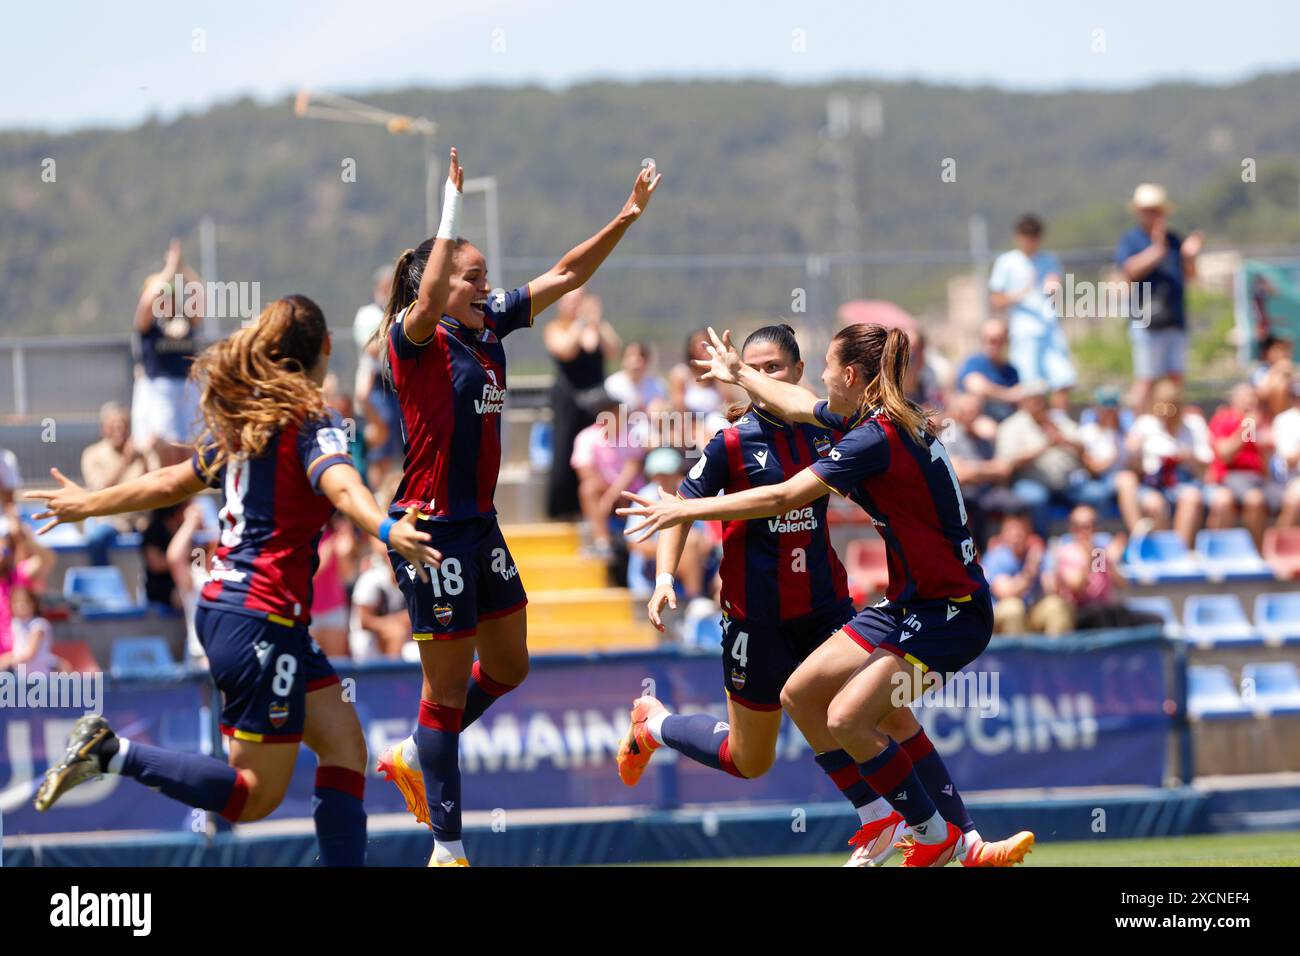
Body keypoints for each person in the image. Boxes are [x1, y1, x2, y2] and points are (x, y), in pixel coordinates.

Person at [28, 293, 440, 868]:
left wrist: (90, 503)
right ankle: (111, 751)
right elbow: (342, 485)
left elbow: (172, 480)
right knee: (253, 796)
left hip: (253, 616)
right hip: (259, 620)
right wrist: (386, 527)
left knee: (343, 744)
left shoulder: (253, 424)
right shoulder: (309, 423)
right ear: (324, 347)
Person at [619, 324, 1034, 867]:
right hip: (797, 615)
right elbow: (798, 405)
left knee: (862, 719)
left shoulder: (864, 436)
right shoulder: (860, 420)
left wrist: (683, 509)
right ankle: (654, 726)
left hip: (940, 613)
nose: (812, 379)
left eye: (806, 369)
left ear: (846, 375)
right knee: (779, 723)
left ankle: (944, 838)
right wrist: (739, 375)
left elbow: (784, 495)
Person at [370, 147, 660, 867]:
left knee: (510, 666)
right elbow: (432, 284)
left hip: (480, 526)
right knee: (442, 695)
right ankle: (449, 848)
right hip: (428, 532)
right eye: (474, 275)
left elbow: (565, 273)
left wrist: (624, 217)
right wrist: (449, 206)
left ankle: (415, 751)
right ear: (436, 286)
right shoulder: (417, 338)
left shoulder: (489, 325)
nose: (487, 284)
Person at [1114, 184, 1203, 406]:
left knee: (1176, 378)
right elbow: (1129, 271)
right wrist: (1156, 251)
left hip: (1175, 318)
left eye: (1156, 210)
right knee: (1146, 379)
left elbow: (1190, 276)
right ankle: (1135, 426)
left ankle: (1173, 423)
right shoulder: (1132, 240)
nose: (1152, 215)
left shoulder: (1174, 240)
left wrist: (1189, 257)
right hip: (1146, 320)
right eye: (1147, 210)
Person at [544, 290, 622, 518]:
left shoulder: (595, 328)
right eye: (572, 302)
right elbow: (565, 350)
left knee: (599, 450)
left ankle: (596, 507)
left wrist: (597, 322)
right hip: (569, 397)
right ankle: (564, 508)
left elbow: (612, 350)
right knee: (565, 449)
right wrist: (579, 322)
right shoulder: (556, 328)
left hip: (596, 397)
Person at [995, 385, 1111, 533]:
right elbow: (1008, 463)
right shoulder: (1011, 426)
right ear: (1024, 403)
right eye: (1034, 401)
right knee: (1035, 498)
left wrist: (1064, 440)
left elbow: (1081, 444)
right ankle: (1040, 546)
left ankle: (1099, 543)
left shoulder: (1057, 419)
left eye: (1042, 400)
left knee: (1098, 493)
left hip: (1068, 482)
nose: (1039, 405)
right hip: (1032, 481)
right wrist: (1042, 448)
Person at [988, 213, 1076, 404]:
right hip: (1024, 330)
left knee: (1063, 378)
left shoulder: (1049, 260)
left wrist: (1054, 285)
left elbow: (1055, 281)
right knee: (1030, 384)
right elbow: (996, 300)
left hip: (1050, 328)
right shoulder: (1007, 262)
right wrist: (1020, 294)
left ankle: (1058, 421)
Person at [1115, 377, 1211, 548]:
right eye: (1162, 405)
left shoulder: (1194, 424)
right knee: (1154, 504)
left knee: (1192, 498)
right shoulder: (1145, 424)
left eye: (1171, 405)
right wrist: (1134, 452)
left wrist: (1188, 457)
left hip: (1184, 481)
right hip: (1152, 483)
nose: (1166, 411)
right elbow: (1131, 466)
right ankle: (1165, 553)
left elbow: (1206, 464)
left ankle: (1179, 552)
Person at [132, 238, 204, 465]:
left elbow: (199, 292)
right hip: (160, 387)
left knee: (192, 444)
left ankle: (187, 498)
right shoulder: (148, 326)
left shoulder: (186, 320)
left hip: (187, 385)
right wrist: (170, 269)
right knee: (168, 444)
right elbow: (147, 301)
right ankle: (171, 497)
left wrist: (182, 267)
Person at [571, 392, 647, 558]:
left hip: (633, 494)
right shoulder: (586, 437)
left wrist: (612, 496)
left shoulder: (631, 434)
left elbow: (633, 468)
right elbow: (586, 473)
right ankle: (602, 543)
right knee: (589, 489)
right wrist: (611, 495)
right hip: (606, 493)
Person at [80, 402, 157, 565]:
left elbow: (156, 485)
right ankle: (101, 585)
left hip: (140, 519)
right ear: (103, 429)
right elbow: (99, 490)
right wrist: (125, 463)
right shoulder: (92, 454)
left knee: (164, 536)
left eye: (123, 425)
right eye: (114, 426)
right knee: (96, 539)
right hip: (110, 519)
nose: (119, 430)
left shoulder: (141, 452)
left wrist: (144, 459)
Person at [1205, 384, 1280, 547]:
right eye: (1246, 396)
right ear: (1235, 400)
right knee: (1254, 499)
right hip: (1231, 476)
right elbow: (1224, 454)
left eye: (1253, 396)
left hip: (1260, 478)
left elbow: (1265, 464)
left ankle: (1280, 550)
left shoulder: (1261, 421)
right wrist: (1246, 428)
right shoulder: (1224, 418)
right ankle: (1257, 553)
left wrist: (1265, 447)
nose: (1251, 400)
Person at [983, 511, 1070, 636]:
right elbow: (1006, 592)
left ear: (1028, 534)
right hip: (1003, 614)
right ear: (1003, 535)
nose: (1016, 536)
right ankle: (1017, 656)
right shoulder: (995, 557)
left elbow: (1052, 590)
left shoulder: (1039, 554)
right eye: (1011, 531)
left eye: (1020, 531)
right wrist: (1030, 570)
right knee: (1013, 608)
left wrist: (1054, 565)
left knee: (1056, 605)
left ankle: (1057, 654)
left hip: (1033, 612)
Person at [0, 504, 56, 664]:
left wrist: (22, 538)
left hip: (17, 664)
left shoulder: (19, 574)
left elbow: (48, 559)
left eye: (5, 550)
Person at [955, 319, 1021, 422]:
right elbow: (976, 387)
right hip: (979, 420)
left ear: (1006, 341)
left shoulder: (1011, 370)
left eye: (998, 340)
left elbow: (1019, 395)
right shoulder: (974, 362)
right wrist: (1008, 395)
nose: (993, 344)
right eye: (988, 339)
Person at [0, 586, 59, 674]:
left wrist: (9, 660)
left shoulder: (39, 624)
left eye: (25, 602)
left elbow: (30, 652)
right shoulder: (15, 623)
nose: (20, 606)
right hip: (21, 676)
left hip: (39, 678)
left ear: (33, 604)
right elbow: (18, 649)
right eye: (16, 602)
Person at [604, 341, 668, 413]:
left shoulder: (658, 385)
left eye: (640, 356)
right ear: (623, 359)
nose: (635, 361)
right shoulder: (612, 384)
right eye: (630, 356)